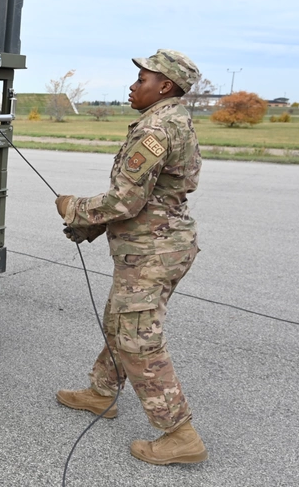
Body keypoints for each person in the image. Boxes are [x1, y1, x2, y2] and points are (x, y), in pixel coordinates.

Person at [53, 49, 207, 465]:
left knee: (137, 337)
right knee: (121, 321)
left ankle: (179, 435)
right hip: (162, 244)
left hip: (152, 251)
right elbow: (150, 197)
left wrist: (73, 208)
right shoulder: (174, 119)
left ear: (165, 86)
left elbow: (125, 200)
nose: (133, 85)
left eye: (142, 79)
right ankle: (101, 393)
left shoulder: (155, 128)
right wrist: (88, 227)